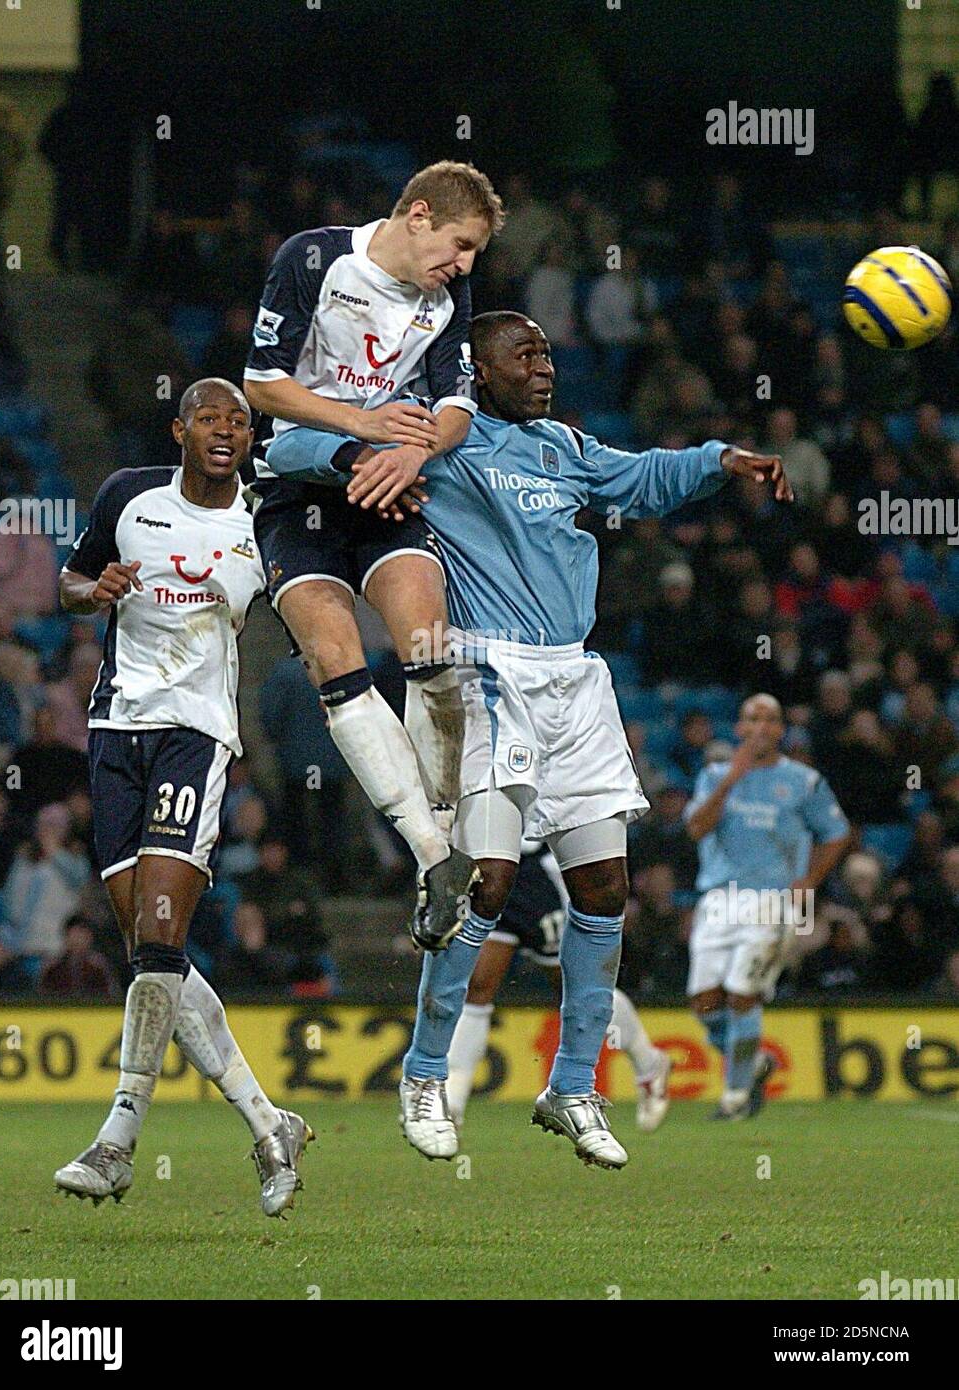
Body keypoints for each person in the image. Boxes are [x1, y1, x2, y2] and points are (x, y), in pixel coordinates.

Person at [279, 309, 793, 1167]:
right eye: (523, 354)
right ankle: (424, 1077)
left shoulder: (562, 445)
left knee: (602, 889)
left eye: (548, 352)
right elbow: (287, 447)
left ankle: (575, 1086)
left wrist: (720, 461)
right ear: (476, 371)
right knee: (486, 881)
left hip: (575, 680)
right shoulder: (442, 432)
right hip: (487, 673)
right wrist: (365, 447)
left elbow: (642, 478)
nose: (543, 364)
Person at [53, 379, 312, 1217]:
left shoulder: (267, 514)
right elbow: (69, 580)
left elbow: (315, 589)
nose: (227, 430)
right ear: (180, 430)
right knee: (152, 954)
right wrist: (92, 592)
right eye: (210, 417)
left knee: (162, 931)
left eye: (240, 419)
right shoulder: (128, 496)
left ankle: (118, 1139)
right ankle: (272, 1123)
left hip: (196, 733)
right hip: (116, 731)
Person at [243, 161, 504, 951]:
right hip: (298, 482)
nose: (464, 267)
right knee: (334, 659)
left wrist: (413, 452)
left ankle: (449, 825)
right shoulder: (315, 260)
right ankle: (434, 858)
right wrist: (366, 430)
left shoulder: (446, 299)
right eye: (460, 246)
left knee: (432, 649)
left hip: (388, 479)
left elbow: (457, 404)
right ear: (419, 215)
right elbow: (263, 386)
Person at [684, 694, 851, 1118]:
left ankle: (736, 1098)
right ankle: (754, 1063)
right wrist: (729, 781)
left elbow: (836, 833)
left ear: (781, 730)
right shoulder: (715, 775)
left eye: (771, 719)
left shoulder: (804, 781)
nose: (762, 726)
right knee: (704, 1002)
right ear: (739, 728)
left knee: (744, 992)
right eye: (753, 718)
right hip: (718, 898)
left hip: (772, 900)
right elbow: (697, 829)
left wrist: (808, 881)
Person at [445, 842, 673, 1134]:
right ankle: (453, 1103)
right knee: (476, 985)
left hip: (537, 873)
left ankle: (650, 1064)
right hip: (490, 866)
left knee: (578, 989)